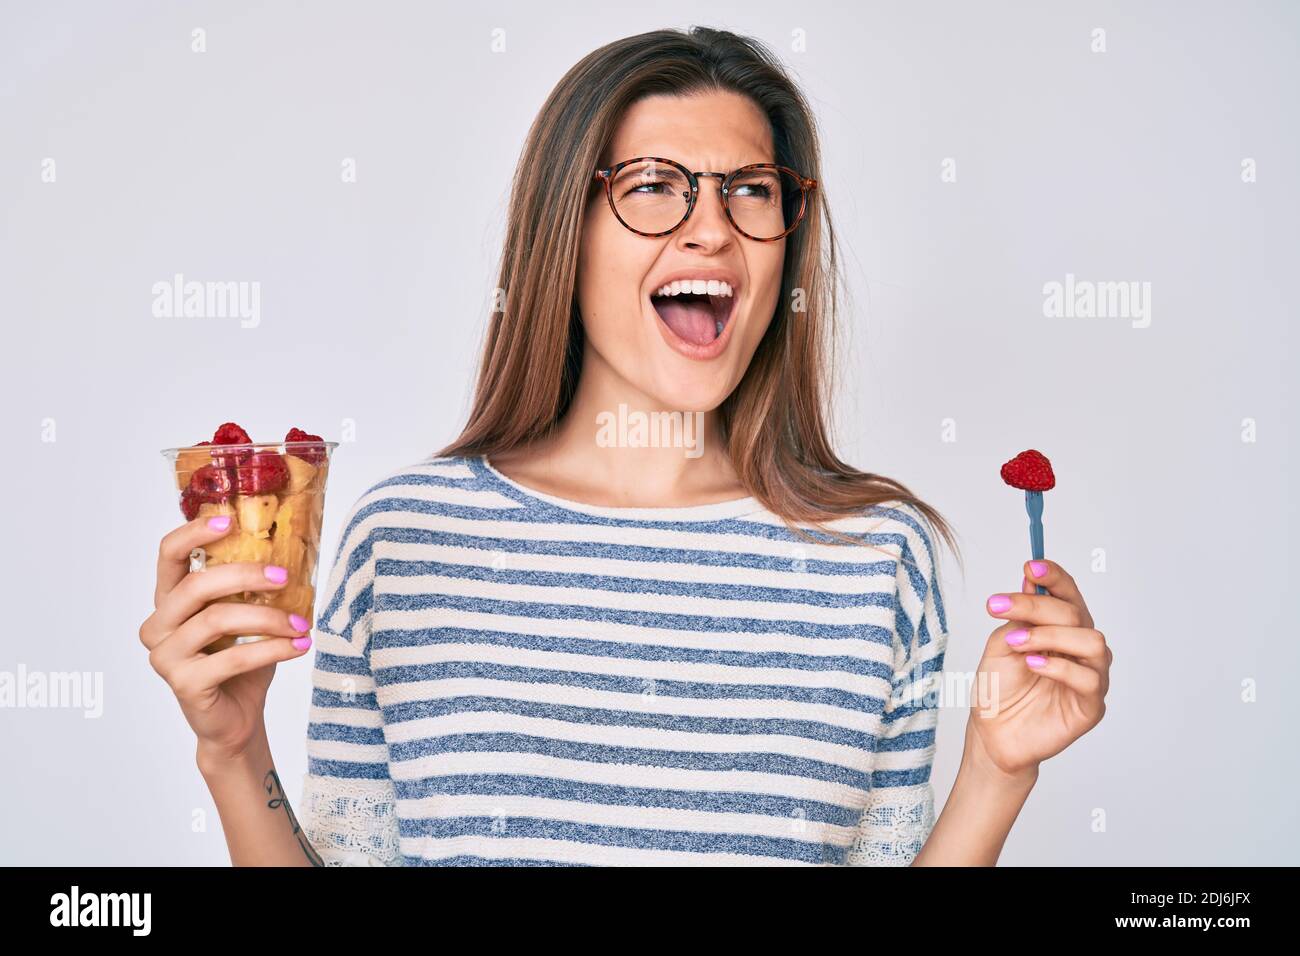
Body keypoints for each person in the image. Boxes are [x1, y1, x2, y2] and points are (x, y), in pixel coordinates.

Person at [139, 26, 1110, 866]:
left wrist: (993, 774)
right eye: (655, 187)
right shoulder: (403, 537)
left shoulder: (878, 557)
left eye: (751, 191)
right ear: (568, 227)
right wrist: (235, 751)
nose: (711, 232)